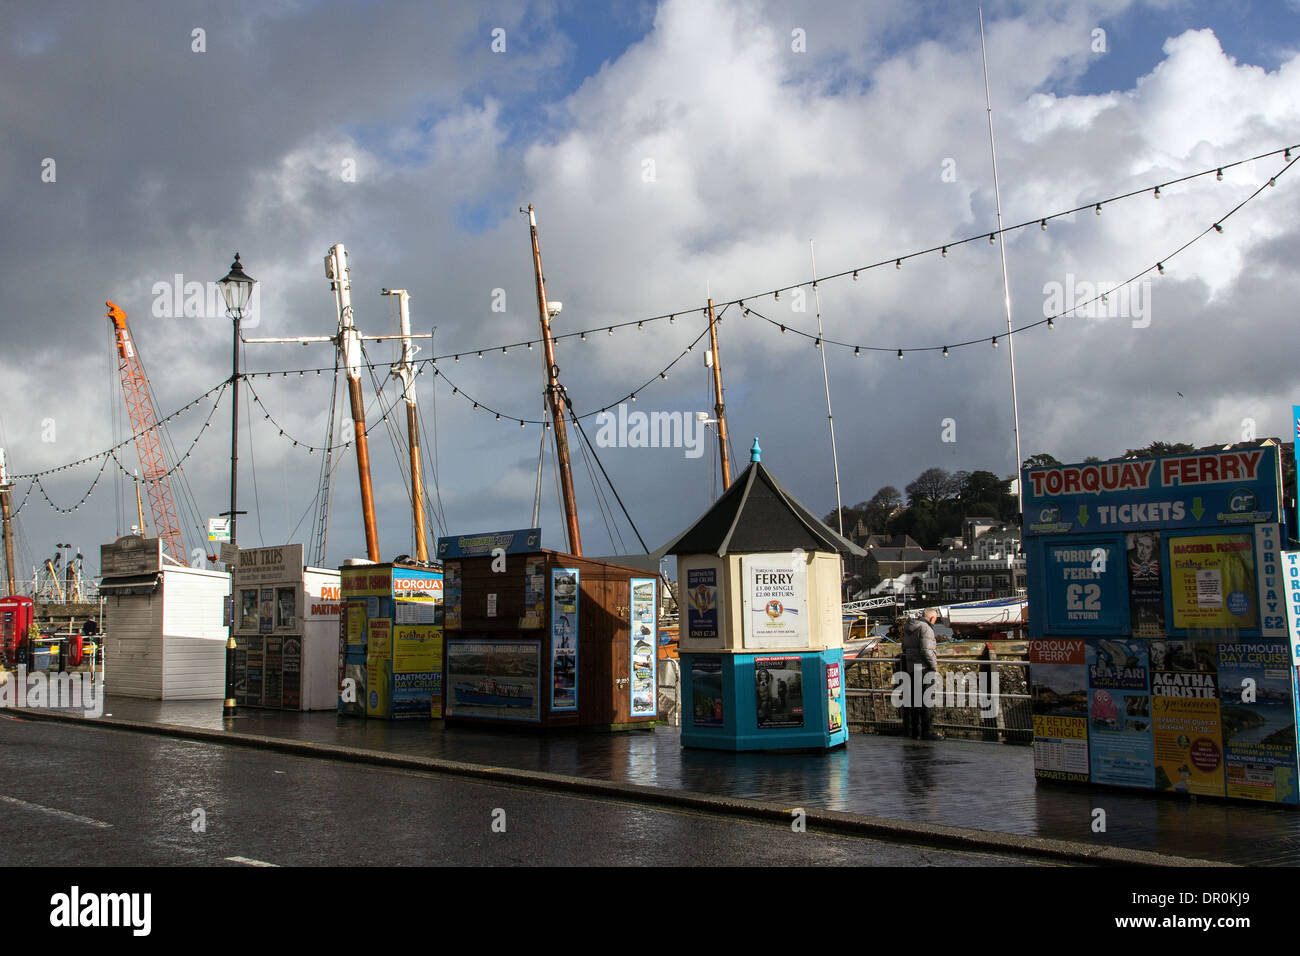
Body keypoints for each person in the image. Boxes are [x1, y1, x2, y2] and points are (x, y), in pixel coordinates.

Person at [901, 608, 943, 740]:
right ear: (931, 618)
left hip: (912, 668)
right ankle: (927, 731)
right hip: (924, 668)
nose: (935, 622)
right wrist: (933, 666)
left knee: (914, 701)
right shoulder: (926, 628)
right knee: (926, 701)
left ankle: (915, 731)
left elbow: (904, 646)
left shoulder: (909, 628)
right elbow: (927, 650)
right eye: (935, 619)